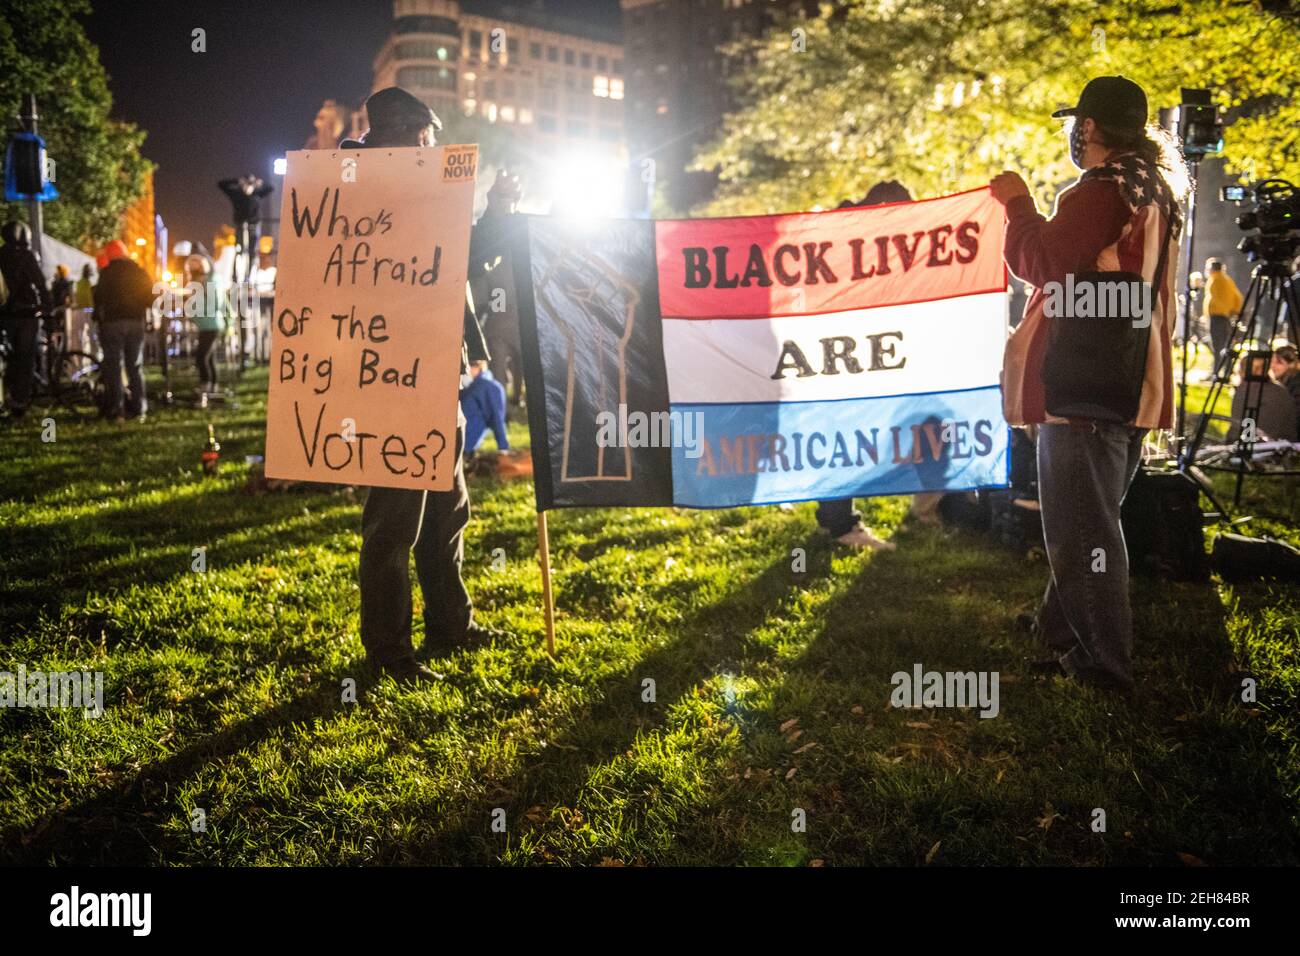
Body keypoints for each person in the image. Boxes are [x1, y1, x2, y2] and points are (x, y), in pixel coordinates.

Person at [994, 75, 1187, 692]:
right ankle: (1058, 630)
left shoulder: (1103, 192)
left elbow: (1040, 261)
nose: (1074, 136)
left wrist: (1018, 205)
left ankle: (1103, 665)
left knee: (1083, 527)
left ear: (1092, 129)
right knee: (1091, 516)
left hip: (1084, 378)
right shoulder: (1154, 187)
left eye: (1077, 124)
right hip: (1137, 376)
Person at [345, 86, 519, 684]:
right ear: (404, 139)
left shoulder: (407, 189)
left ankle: (451, 624)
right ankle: (390, 653)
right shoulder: (368, 192)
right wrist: (496, 217)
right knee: (395, 523)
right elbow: (458, 254)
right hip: (394, 373)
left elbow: (456, 256)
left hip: (435, 367)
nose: (433, 146)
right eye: (426, 137)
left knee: (445, 512)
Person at [812, 182, 917, 551]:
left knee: (840, 436)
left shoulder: (842, 234)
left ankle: (833, 519)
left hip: (841, 355)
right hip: (844, 358)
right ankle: (842, 525)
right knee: (844, 436)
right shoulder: (848, 242)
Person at [93, 240, 155, 421]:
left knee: (114, 366)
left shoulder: (106, 273)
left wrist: (99, 318)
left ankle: (117, 408)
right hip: (135, 322)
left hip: (112, 323)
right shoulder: (139, 271)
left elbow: (99, 298)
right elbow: (150, 298)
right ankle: (139, 407)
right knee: (135, 365)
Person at [0, 221, 51, 418]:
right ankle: (20, 402)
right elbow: (39, 282)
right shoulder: (26, 256)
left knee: (10, 359)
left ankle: (8, 395)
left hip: (4, 315)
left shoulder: (1, 255)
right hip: (26, 314)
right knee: (26, 358)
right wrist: (47, 307)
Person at [1226, 348, 1298, 443]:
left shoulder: (1247, 391)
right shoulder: (1281, 390)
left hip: (1262, 448)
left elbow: (1243, 432)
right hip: (1283, 446)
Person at [185, 255, 226, 395]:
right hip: (207, 325)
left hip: (211, 325)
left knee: (201, 357)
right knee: (209, 357)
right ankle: (213, 385)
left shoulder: (210, 282)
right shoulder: (204, 283)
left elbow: (214, 304)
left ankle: (206, 384)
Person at [461, 360, 510, 455]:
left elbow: (497, 419)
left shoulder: (488, 387)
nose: (467, 370)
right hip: (464, 440)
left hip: (465, 439)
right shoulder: (476, 386)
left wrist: (503, 447)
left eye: (469, 366)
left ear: (477, 367)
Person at [1203, 257, 1243, 367]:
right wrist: (1234, 311)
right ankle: (1228, 370)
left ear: (1211, 269)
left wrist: (1222, 309)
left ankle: (1216, 369)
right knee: (1226, 343)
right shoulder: (1228, 280)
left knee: (1216, 345)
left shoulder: (1214, 280)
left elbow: (1214, 298)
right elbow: (1238, 297)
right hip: (1226, 317)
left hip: (1216, 316)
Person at [1271, 342, 1300, 427]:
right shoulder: (1284, 382)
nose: (1273, 366)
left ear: (1291, 364)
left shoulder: (1296, 385)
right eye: (1272, 361)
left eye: (1279, 362)